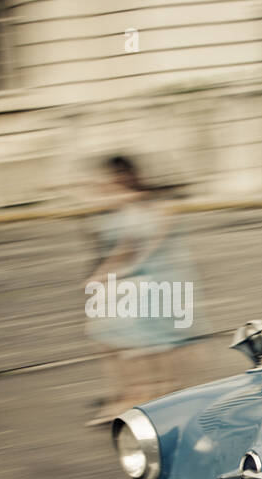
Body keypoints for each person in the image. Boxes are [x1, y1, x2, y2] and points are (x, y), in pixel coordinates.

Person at [83, 155, 205, 425]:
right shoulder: (124, 205)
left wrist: (118, 271)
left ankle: (164, 396)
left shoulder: (154, 206)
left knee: (163, 339)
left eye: (116, 177)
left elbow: (146, 244)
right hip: (140, 277)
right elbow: (124, 244)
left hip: (162, 275)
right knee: (136, 338)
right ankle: (142, 396)